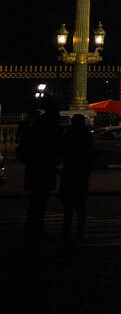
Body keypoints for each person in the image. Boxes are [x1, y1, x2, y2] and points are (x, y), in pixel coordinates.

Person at [20, 102, 63, 244]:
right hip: (44, 169)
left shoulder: (38, 124)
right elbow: (56, 149)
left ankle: (32, 228)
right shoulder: (52, 126)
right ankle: (36, 229)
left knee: (35, 201)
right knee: (40, 201)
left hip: (35, 168)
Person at [59, 114, 93, 239]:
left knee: (69, 205)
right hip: (81, 173)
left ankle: (67, 228)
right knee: (80, 205)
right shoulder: (87, 136)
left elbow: (62, 150)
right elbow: (90, 155)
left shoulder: (67, 134)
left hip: (70, 172)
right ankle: (80, 228)